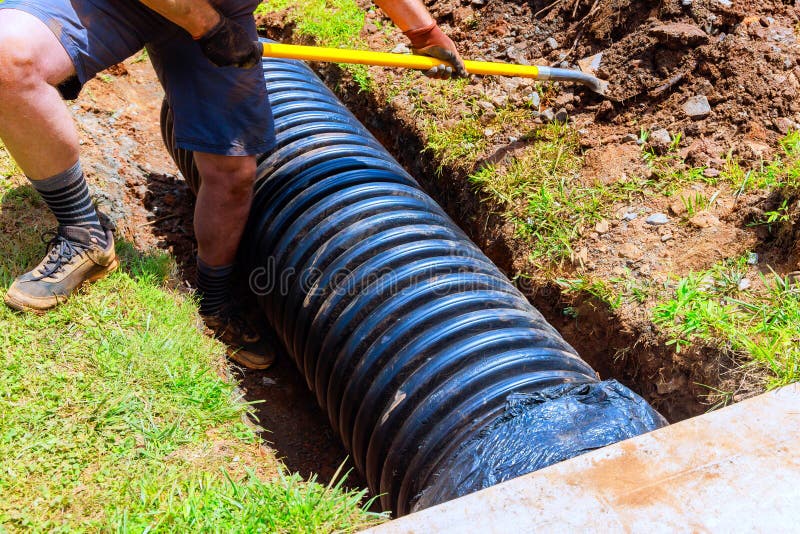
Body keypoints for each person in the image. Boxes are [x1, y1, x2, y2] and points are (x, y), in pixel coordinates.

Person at [0, 0, 465, 369]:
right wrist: (208, 27)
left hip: (221, 8)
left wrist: (425, 35)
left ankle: (214, 301)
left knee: (234, 172)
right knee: (6, 57)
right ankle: (84, 233)